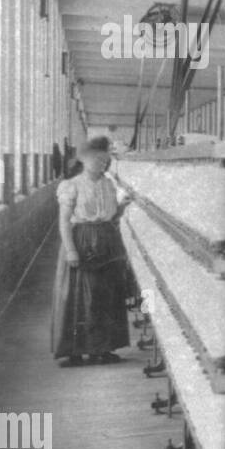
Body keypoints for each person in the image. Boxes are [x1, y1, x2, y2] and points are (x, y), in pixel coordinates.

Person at [51, 136, 132, 367]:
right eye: (97, 160)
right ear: (84, 160)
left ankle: (102, 349)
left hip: (107, 241)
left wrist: (122, 207)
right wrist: (71, 251)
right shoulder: (71, 185)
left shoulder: (108, 184)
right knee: (78, 297)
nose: (102, 164)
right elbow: (64, 222)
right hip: (82, 241)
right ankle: (74, 352)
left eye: (105, 160)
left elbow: (112, 217)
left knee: (105, 296)